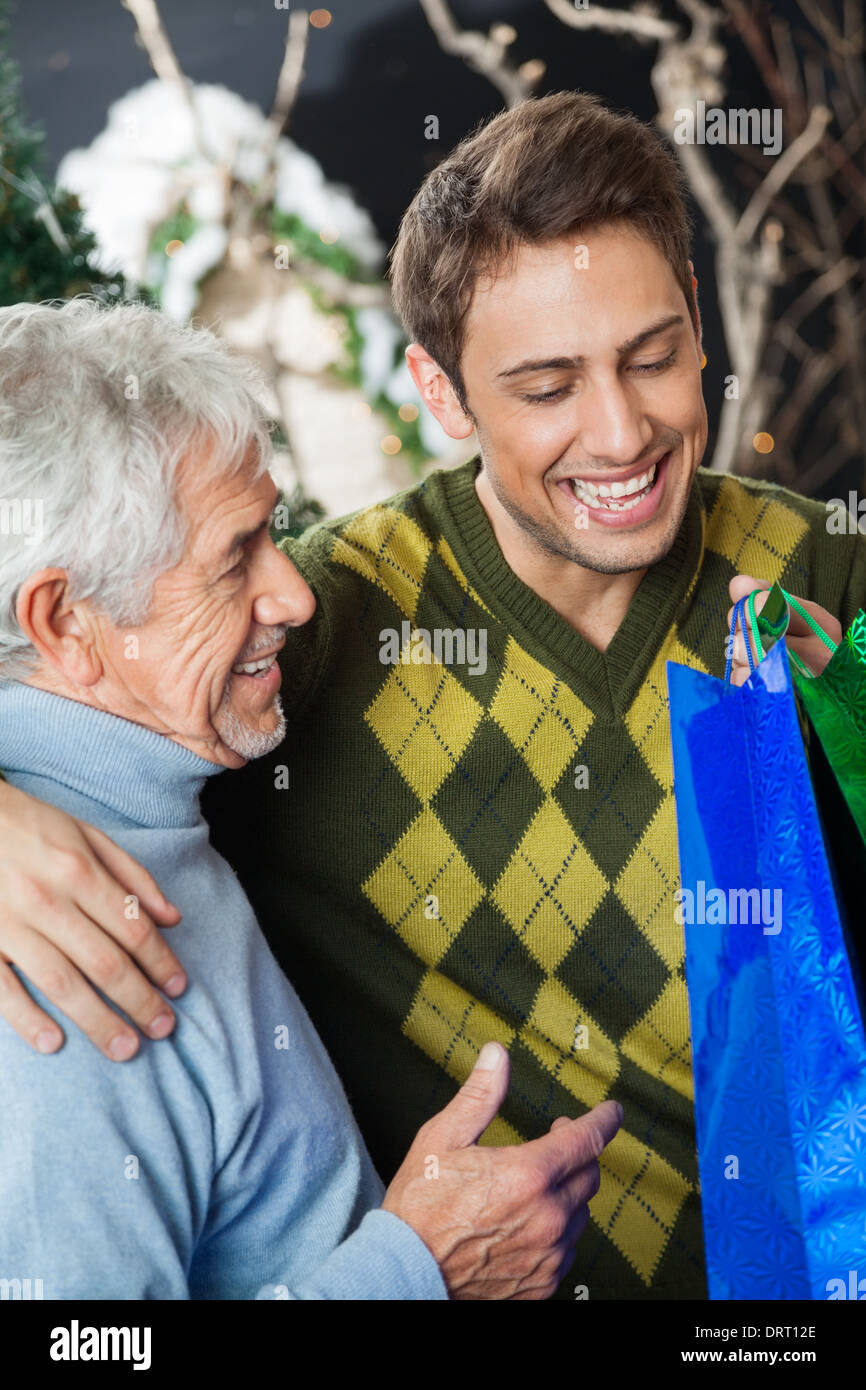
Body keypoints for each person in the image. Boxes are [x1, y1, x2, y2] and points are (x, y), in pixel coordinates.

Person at [1, 91, 861, 1299]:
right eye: (548, 385)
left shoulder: (828, 576)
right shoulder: (300, 632)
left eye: (653, 357)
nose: (620, 431)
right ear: (440, 393)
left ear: (698, 328)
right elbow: (90, 660)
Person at [0, 297, 620, 1301]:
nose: (292, 595)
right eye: (232, 556)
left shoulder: (138, 811)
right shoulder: (48, 994)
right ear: (67, 623)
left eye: (271, 533)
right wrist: (418, 1270)